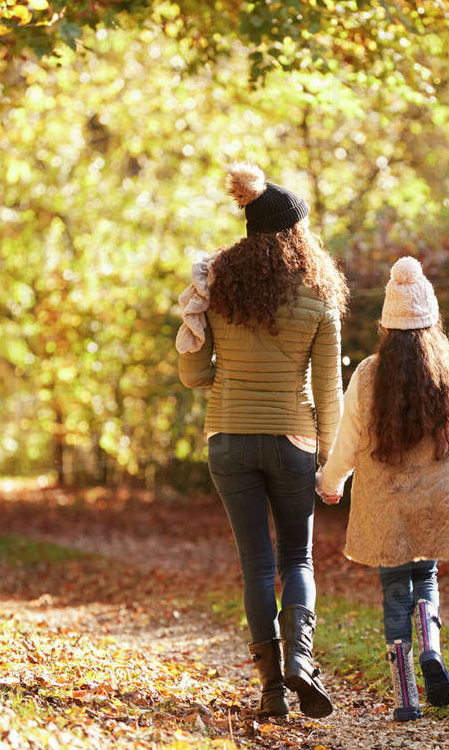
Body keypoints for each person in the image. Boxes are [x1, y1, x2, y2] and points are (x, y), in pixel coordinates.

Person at [177, 163, 348, 720]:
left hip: (228, 437)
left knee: (256, 565)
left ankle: (272, 690)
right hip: (292, 440)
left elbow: (195, 376)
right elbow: (329, 392)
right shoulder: (319, 292)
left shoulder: (218, 287)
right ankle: (301, 659)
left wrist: (195, 331)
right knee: (297, 557)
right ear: (295, 233)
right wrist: (331, 463)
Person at [315, 257, 449, 722]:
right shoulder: (446, 377)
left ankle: (406, 697)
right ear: (430, 320)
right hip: (435, 503)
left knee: (393, 589)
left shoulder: (366, 376)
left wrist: (331, 482)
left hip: (385, 506)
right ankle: (431, 650)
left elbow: (347, 441)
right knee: (427, 579)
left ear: (387, 322)